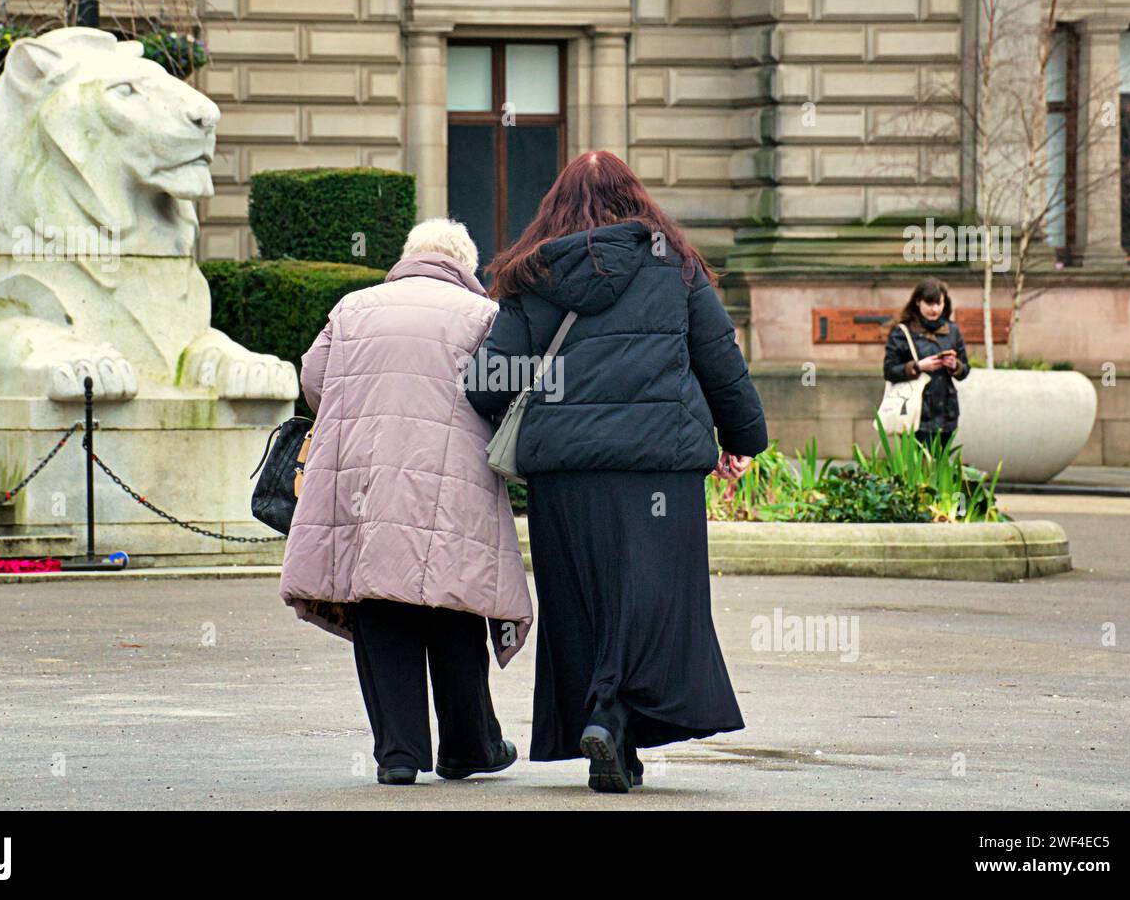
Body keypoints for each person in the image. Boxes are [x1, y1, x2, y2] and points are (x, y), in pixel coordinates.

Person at [465, 151, 769, 793]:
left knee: (581, 604)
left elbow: (489, 384)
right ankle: (613, 721)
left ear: (554, 205)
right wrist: (744, 439)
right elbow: (720, 360)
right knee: (652, 601)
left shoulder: (531, 275)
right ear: (638, 200)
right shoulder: (678, 269)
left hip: (567, 475)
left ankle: (608, 732)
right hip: (660, 469)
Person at [279, 218, 532, 786]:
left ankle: (398, 754)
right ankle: (470, 746)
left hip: (366, 481)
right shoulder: (483, 315)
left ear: (408, 257)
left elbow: (314, 379)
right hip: (456, 482)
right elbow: (504, 392)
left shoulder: (353, 307)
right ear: (464, 267)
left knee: (379, 602)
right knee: (454, 603)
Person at [883, 277, 970, 447]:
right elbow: (889, 370)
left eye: (939, 303)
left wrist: (954, 365)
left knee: (940, 466)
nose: (935, 309)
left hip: (946, 411)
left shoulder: (952, 330)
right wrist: (918, 366)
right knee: (919, 467)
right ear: (918, 302)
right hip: (916, 412)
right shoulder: (902, 332)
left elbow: (965, 369)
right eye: (929, 304)